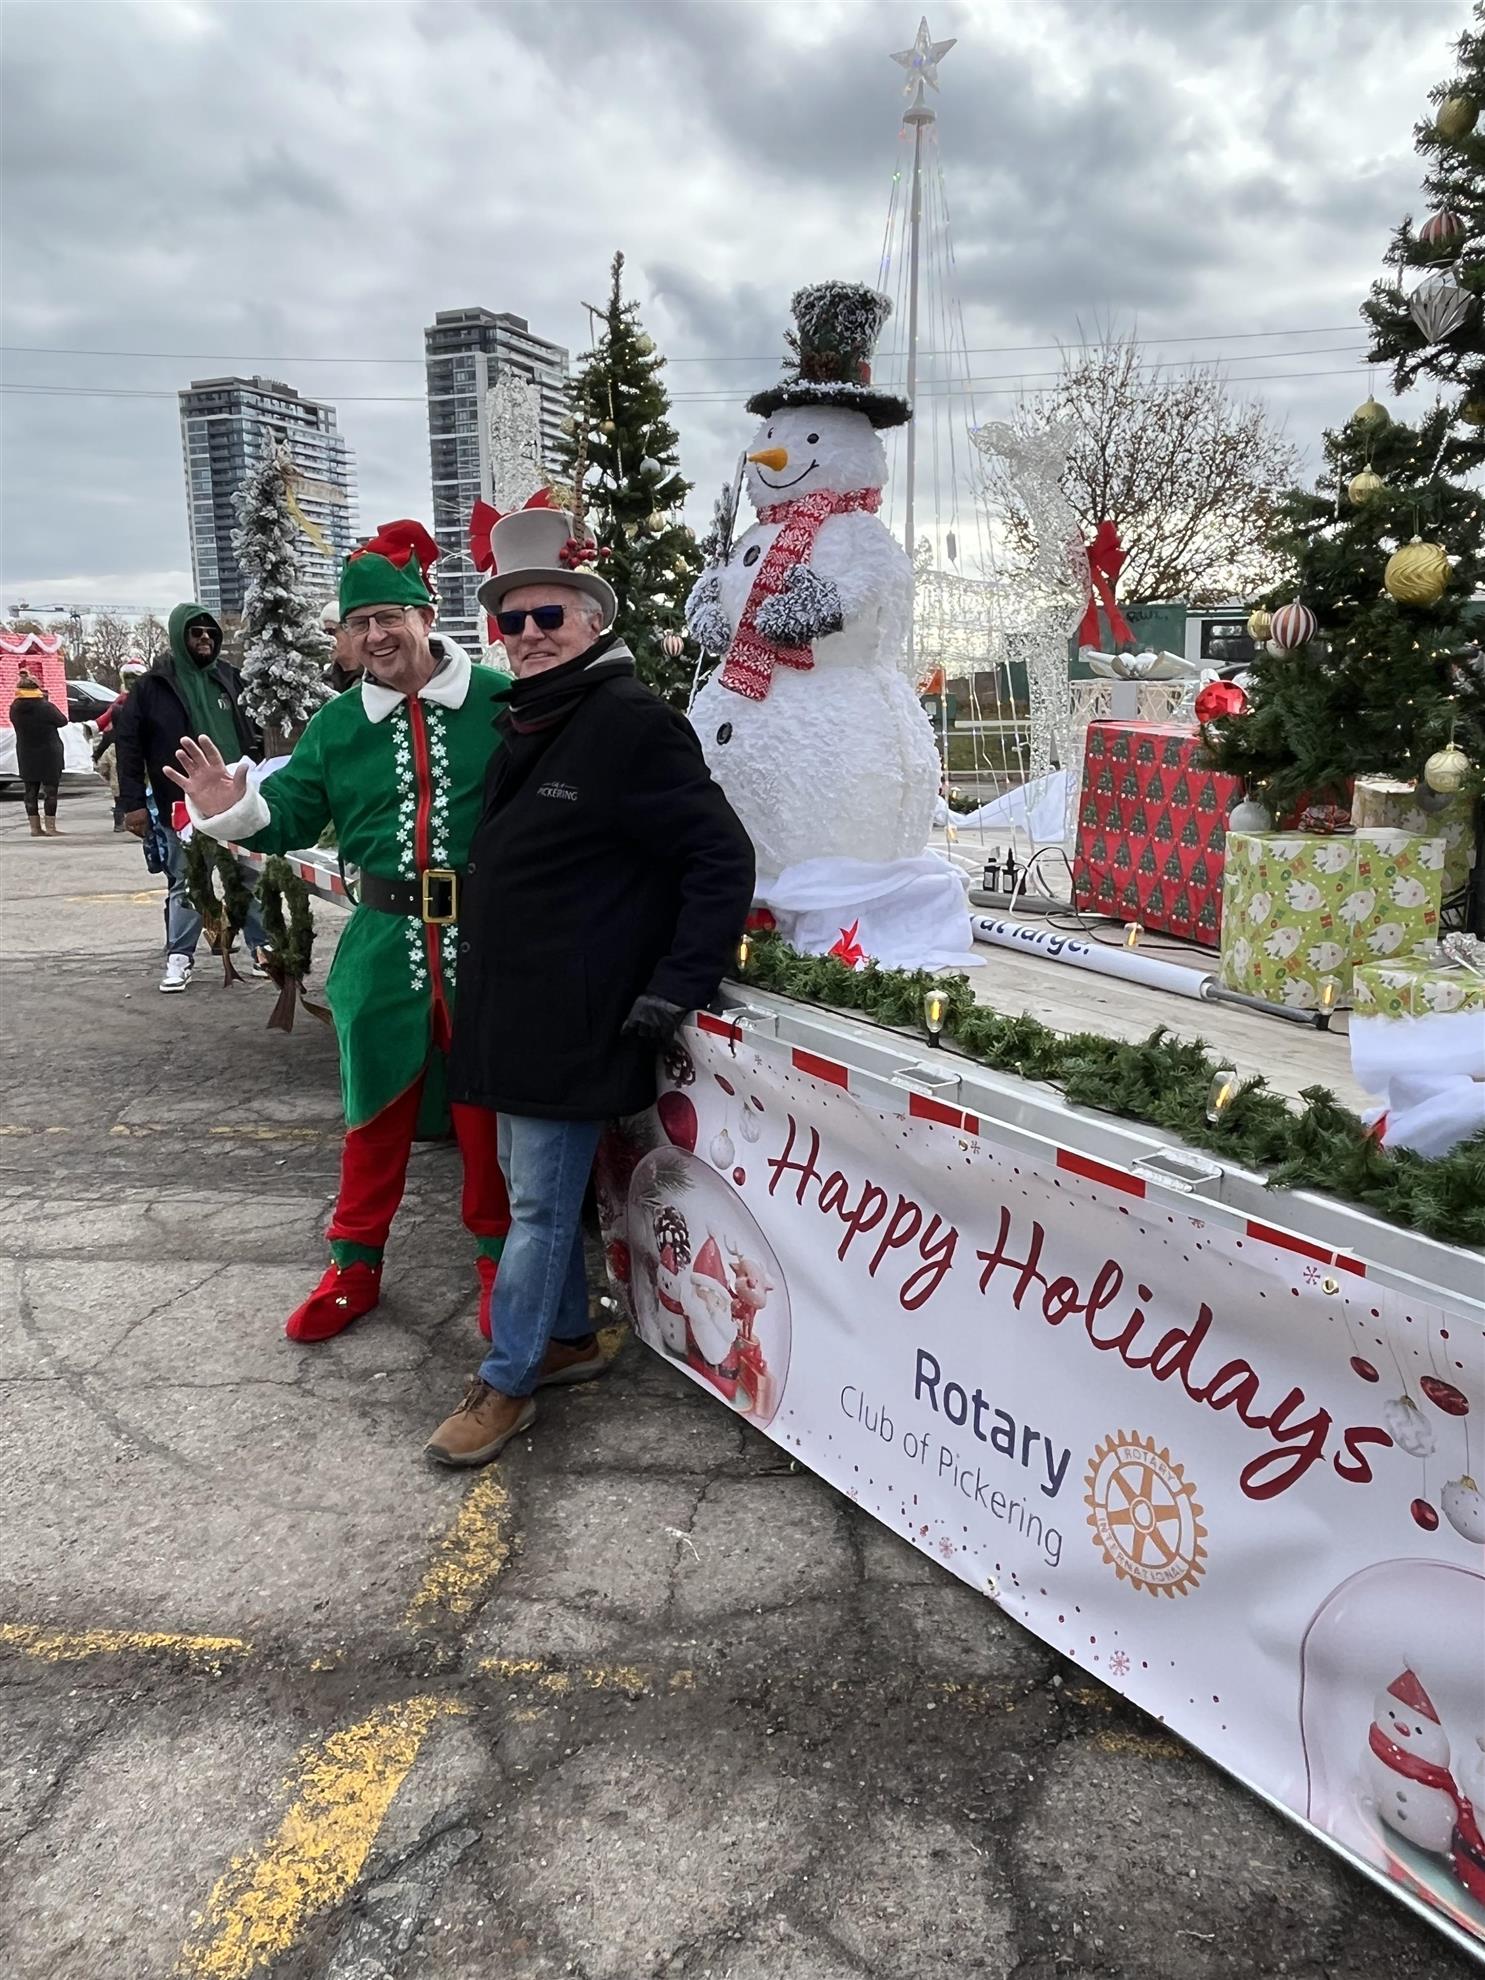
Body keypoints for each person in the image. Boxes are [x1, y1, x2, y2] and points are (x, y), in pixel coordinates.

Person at [424, 503, 755, 1467]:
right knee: (540, 1197)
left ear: (590, 621)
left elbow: (718, 857)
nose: (525, 637)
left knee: (535, 1206)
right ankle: (563, 1339)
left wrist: (676, 983)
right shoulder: (535, 717)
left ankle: (508, 1381)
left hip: (574, 1022)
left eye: (546, 618)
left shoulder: (627, 721)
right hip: (518, 1015)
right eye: (509, 621)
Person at [166, 521, 515, 1343]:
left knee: (487, 1124)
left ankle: (502, 1269)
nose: (376, 634)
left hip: (491, 951)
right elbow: (287, 817)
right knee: (372, 1120)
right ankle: (353, 1267)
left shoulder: (500, 706)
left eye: (390, 615)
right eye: (359, 625)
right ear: (348, 641)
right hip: (382, 950)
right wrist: (231, 810)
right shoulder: (337, 725)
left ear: (426, 615)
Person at [114, 604, 270, 991]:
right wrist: (132, 804)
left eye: (209, 632)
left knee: (246, 877)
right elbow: (128, 747)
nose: (204, 638)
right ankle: (179, 957)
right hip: (180, 805)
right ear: (178, 637)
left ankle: (262, 948)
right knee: (187, 881)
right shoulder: (152, 687)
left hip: (236, 801)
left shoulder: (229, 678)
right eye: (195, 632)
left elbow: (252, 729)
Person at [8, 669, 67, 837]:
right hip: (49, 752)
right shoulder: (45, 706)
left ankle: (35, 828)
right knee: (50, 791)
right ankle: (50, 827)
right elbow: (62, 721)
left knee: (30, 792)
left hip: (26, 752)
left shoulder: (15, 708)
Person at [323, 597, 362, 694]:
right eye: (323, 633)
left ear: (349, 630)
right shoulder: (323, 681)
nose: (326, 639)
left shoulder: (374, 679)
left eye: (330, 632)